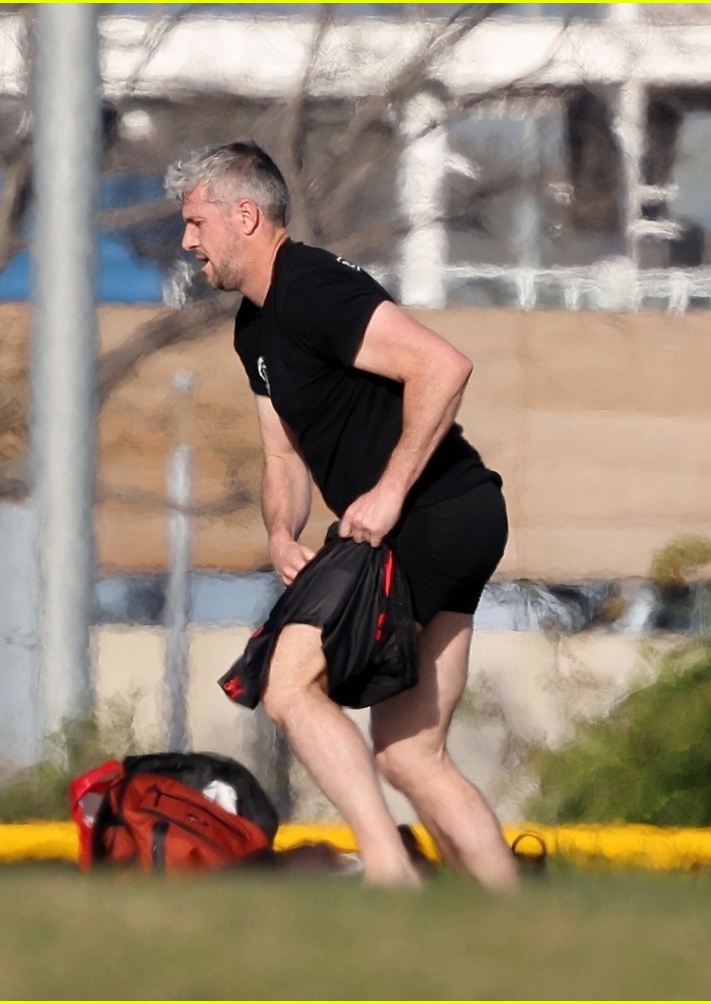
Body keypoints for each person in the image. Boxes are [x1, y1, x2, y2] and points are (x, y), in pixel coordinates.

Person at [165, 141, 519, 891]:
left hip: (428, 513)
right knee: (410, 755)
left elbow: (442, 366)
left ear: (246, 215)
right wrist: (280, 534)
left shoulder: (313, 288)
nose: (187, 241)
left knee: (290, 684)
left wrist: (390, 490)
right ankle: (519, 923)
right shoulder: (253, 329)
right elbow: (284, 458)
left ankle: (389, 873)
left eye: (196, 223)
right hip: (451, 518)